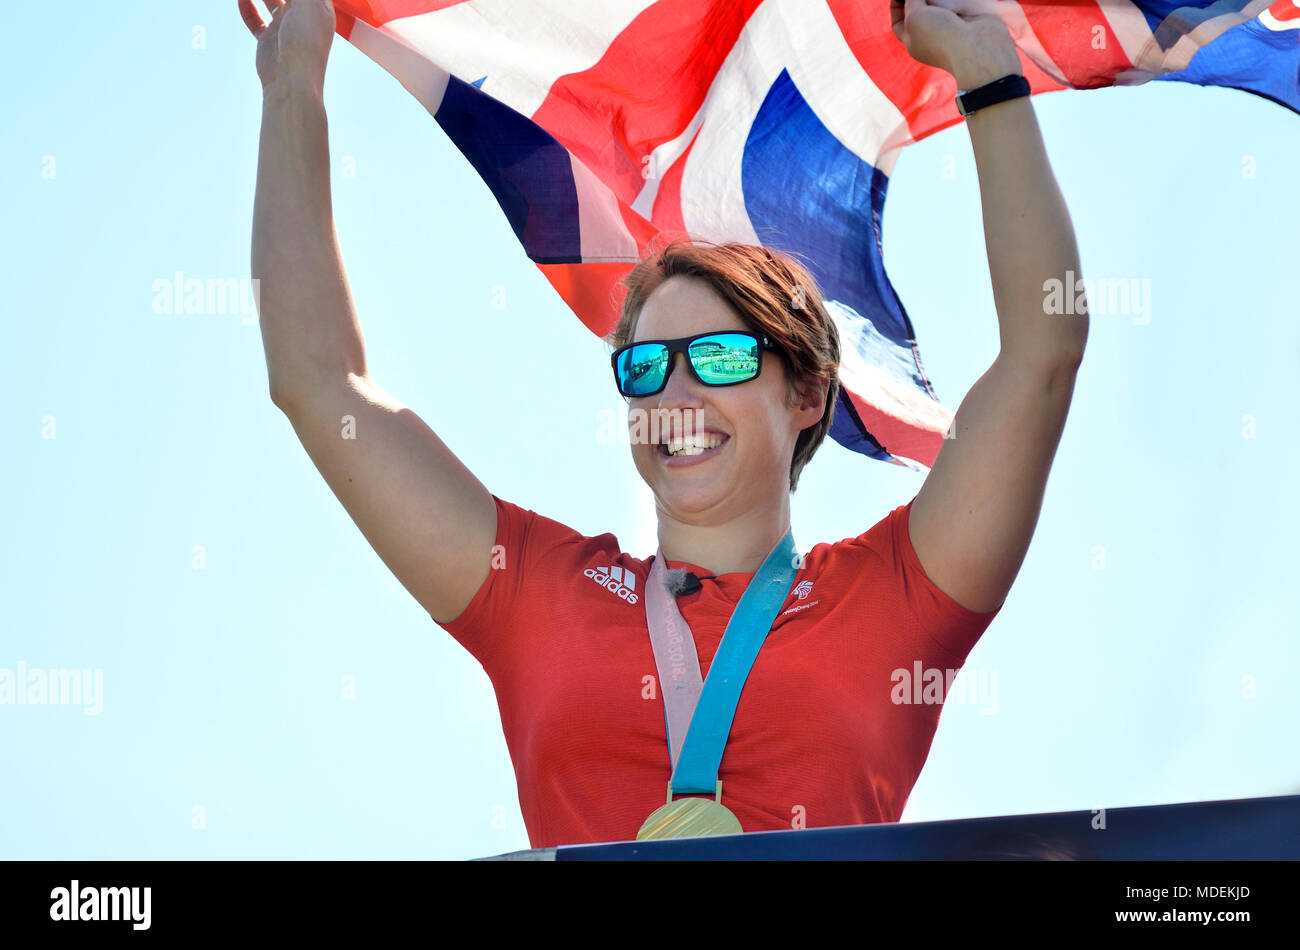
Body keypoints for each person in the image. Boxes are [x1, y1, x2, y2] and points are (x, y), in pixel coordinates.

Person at [240, 0, 1088, 850]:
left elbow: (1042, 356)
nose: (674, 393)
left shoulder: (897, 597)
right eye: (645, 368)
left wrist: (987, 72)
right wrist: (293, 87)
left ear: (806, 393)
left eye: (718, 358)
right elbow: (323, 387)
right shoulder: (533, 595)